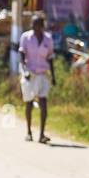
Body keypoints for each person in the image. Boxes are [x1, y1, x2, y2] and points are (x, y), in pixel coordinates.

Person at [19, 12, 56, 144]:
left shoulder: (48, 39)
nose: (35, 27)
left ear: (42, 25)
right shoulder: (26, 37)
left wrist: (53, 76)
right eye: (33, 24)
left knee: (43, 102)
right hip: (30, 74)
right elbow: (22, 55)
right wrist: (25, 71)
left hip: (43, 74)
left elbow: (50, 58)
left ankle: (42, 134)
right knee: (29, 102)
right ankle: (28, 132)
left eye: (38, 25)